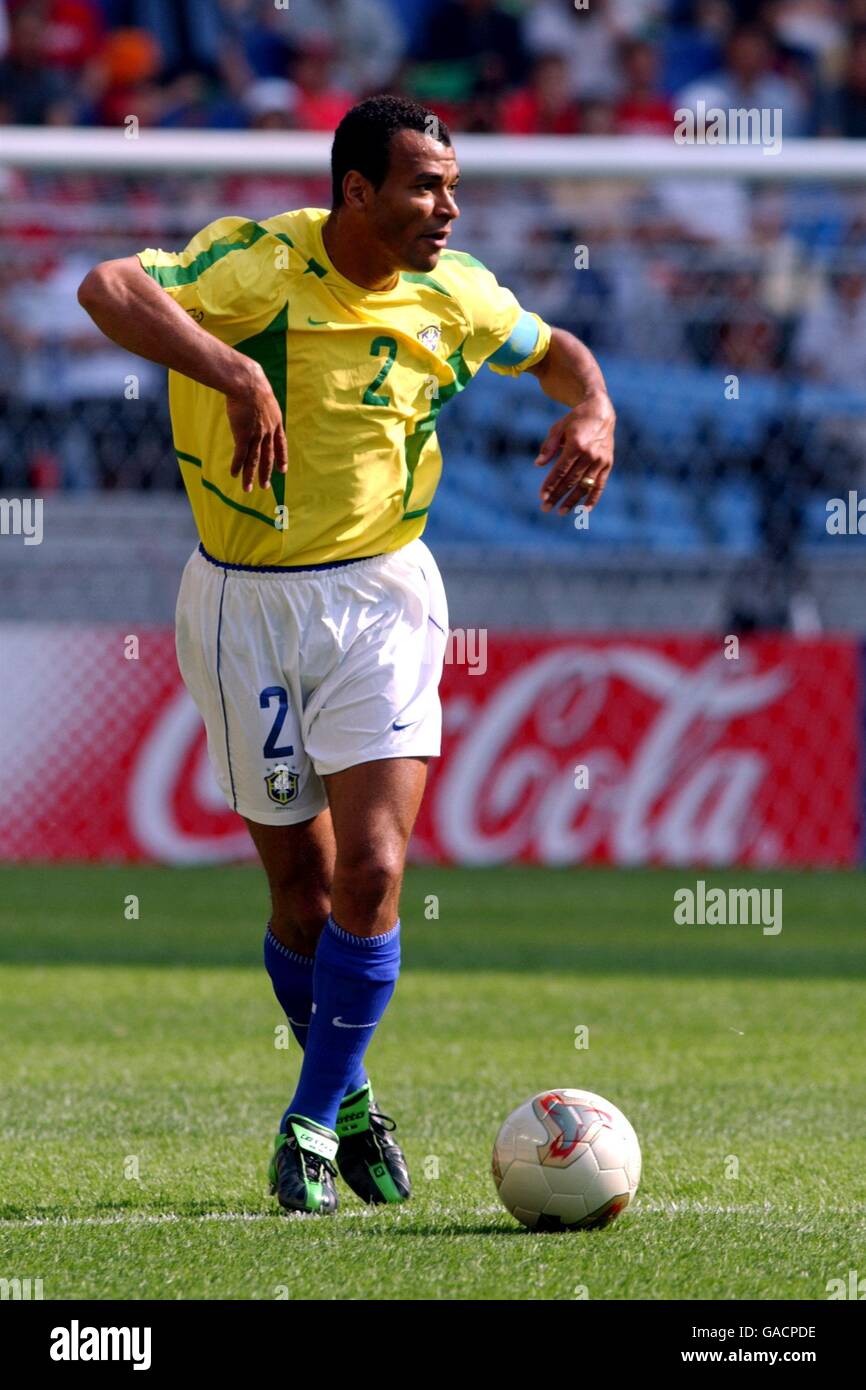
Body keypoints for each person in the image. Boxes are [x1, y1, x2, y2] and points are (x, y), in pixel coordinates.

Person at [77, 95, 615, 1216]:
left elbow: (554, 351)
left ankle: (311, 1127)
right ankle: (353, 1093)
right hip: (242, 606)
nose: (447, 208)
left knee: (373, 872)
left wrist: (595, 408)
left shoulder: (453, 292)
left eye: (451, 186)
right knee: (304, 898)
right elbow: (107, 286)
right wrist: (231, 370)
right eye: (423, 185)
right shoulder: (256, 262)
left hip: (382, 595)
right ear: (356, 191)